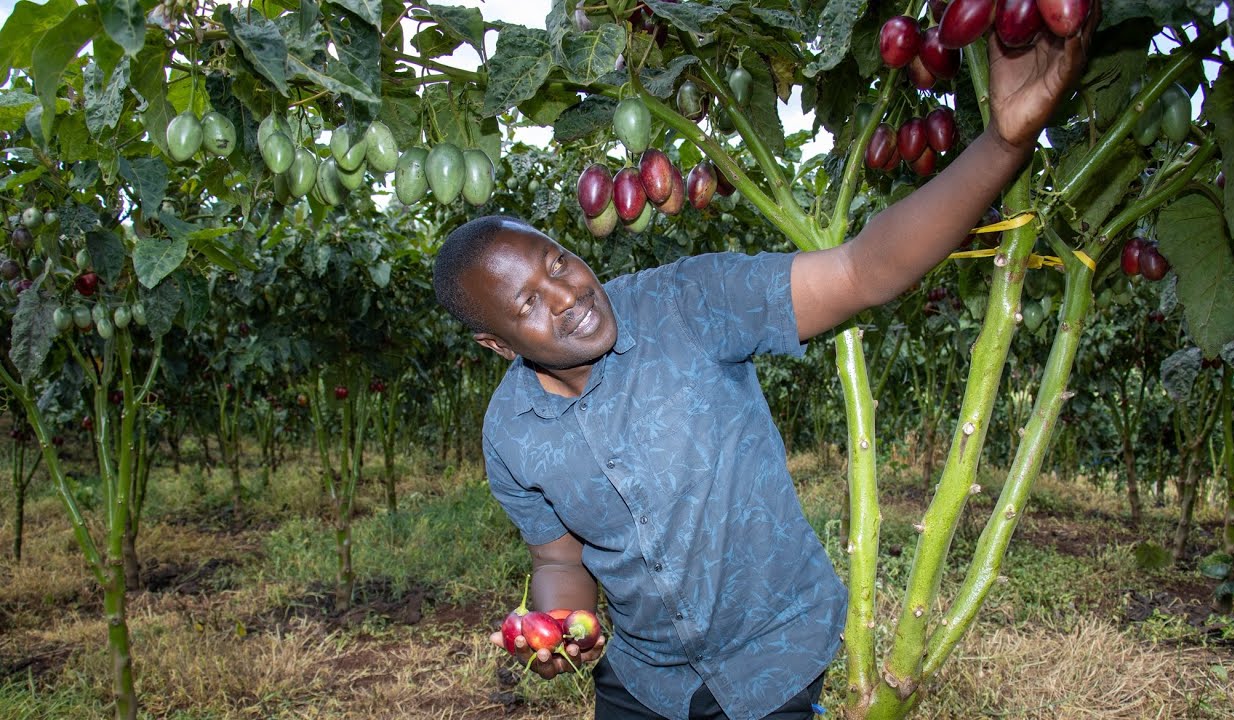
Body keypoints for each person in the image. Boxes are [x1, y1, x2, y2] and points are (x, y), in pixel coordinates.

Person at [431, 21, 1092, 720]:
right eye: (529, 303)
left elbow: (861, 271)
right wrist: (566, 627)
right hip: (645, 678)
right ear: (496, 344)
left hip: (772, 658)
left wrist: (1004, 143)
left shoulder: (688, 304)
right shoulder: (512, 434)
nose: (567, 296)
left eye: (559, 262)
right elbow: (559, 560)